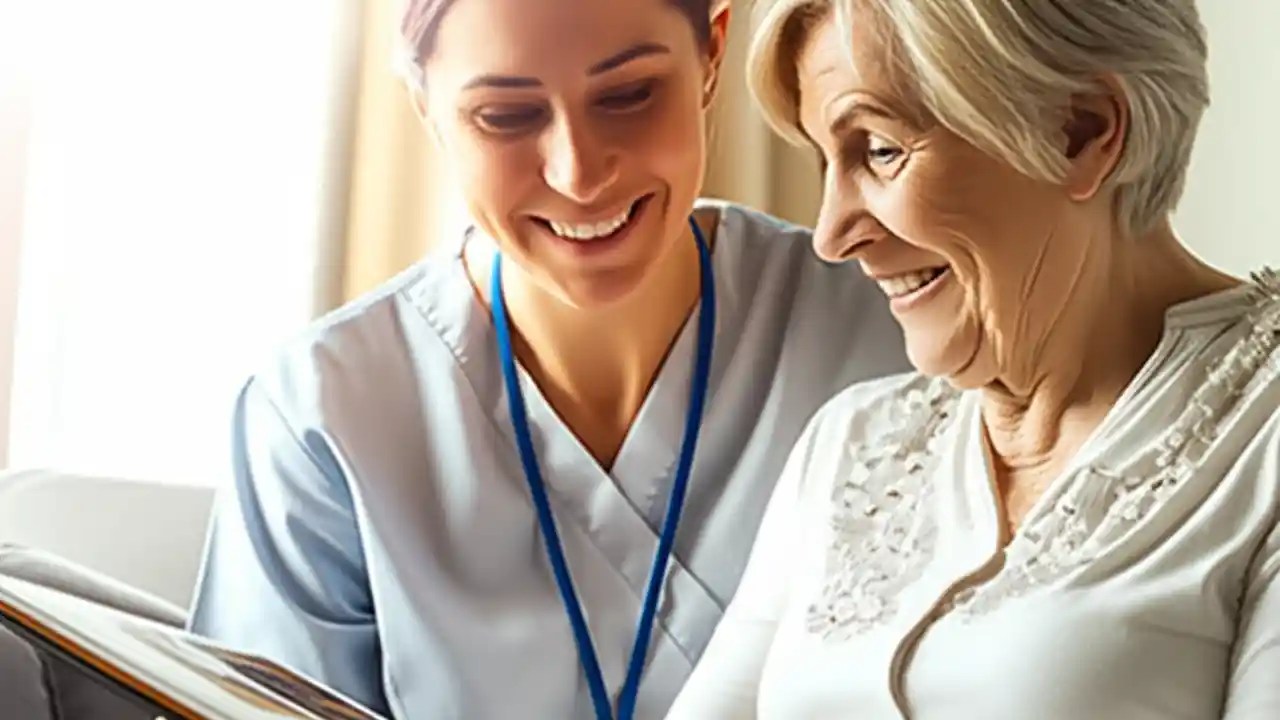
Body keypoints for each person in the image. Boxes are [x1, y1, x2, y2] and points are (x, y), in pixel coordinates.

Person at [186, 0, 909, 718]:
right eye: (505, 116)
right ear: (427, 108)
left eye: (629, 95)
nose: (579, 173)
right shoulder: (320, 416)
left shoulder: (890, 330)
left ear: (711, 58)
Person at [667, 0, 1280, 717]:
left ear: (1080, 133)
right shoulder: (850, 444)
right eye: (824, 161)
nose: (831, 235)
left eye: (880, 149)